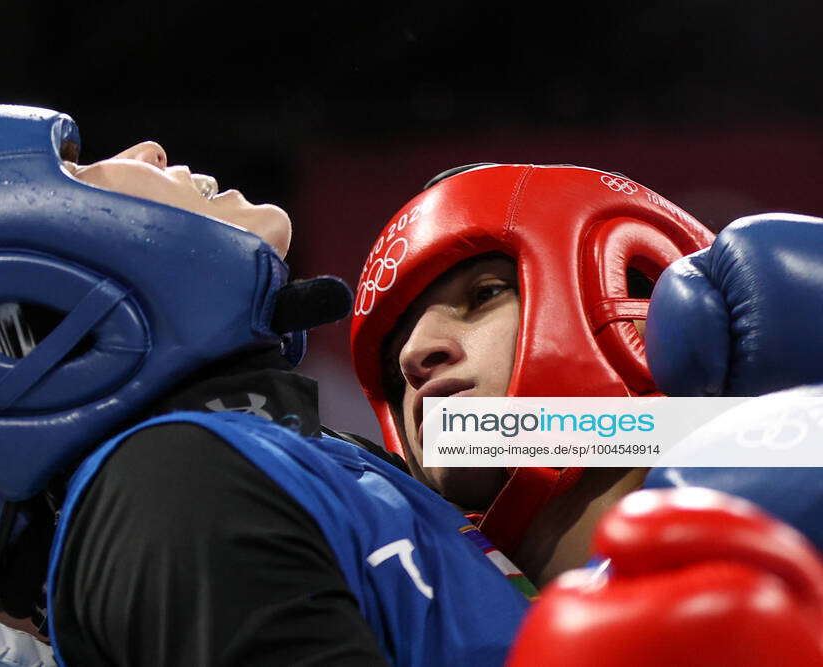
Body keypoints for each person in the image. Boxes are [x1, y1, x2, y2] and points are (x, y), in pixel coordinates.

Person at [0, 105, 533, 667]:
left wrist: (622, 384)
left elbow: (606, 440)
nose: (150, 151)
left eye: (485, 295)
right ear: (27, 269)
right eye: (83, 167)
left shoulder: (312, 452)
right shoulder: (174, 489)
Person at [349, 162, 823, 663]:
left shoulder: (794, 493)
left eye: (483, 295)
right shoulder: (393, 617)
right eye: (395, 351)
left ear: (636, 309)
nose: (413, 355)